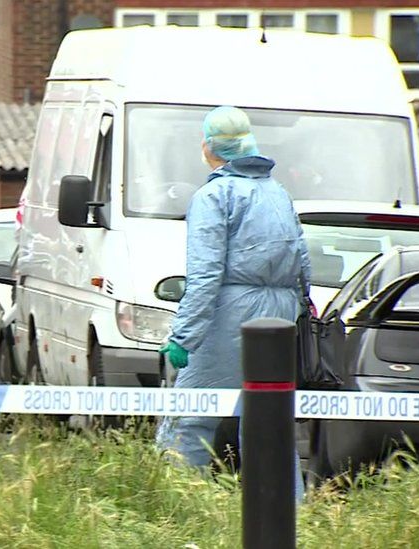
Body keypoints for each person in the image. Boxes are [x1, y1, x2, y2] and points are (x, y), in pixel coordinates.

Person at [155, 106, 311, 500]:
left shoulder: (214, 196)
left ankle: (174, 504)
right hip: (280, 318)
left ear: (210, 146)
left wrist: (183, 337)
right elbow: (302, 261)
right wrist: (300, 309)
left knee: (190, 417)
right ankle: (287, 512)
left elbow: (205, 275)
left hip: (231, 315)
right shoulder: (277, 193)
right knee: (268, 420)